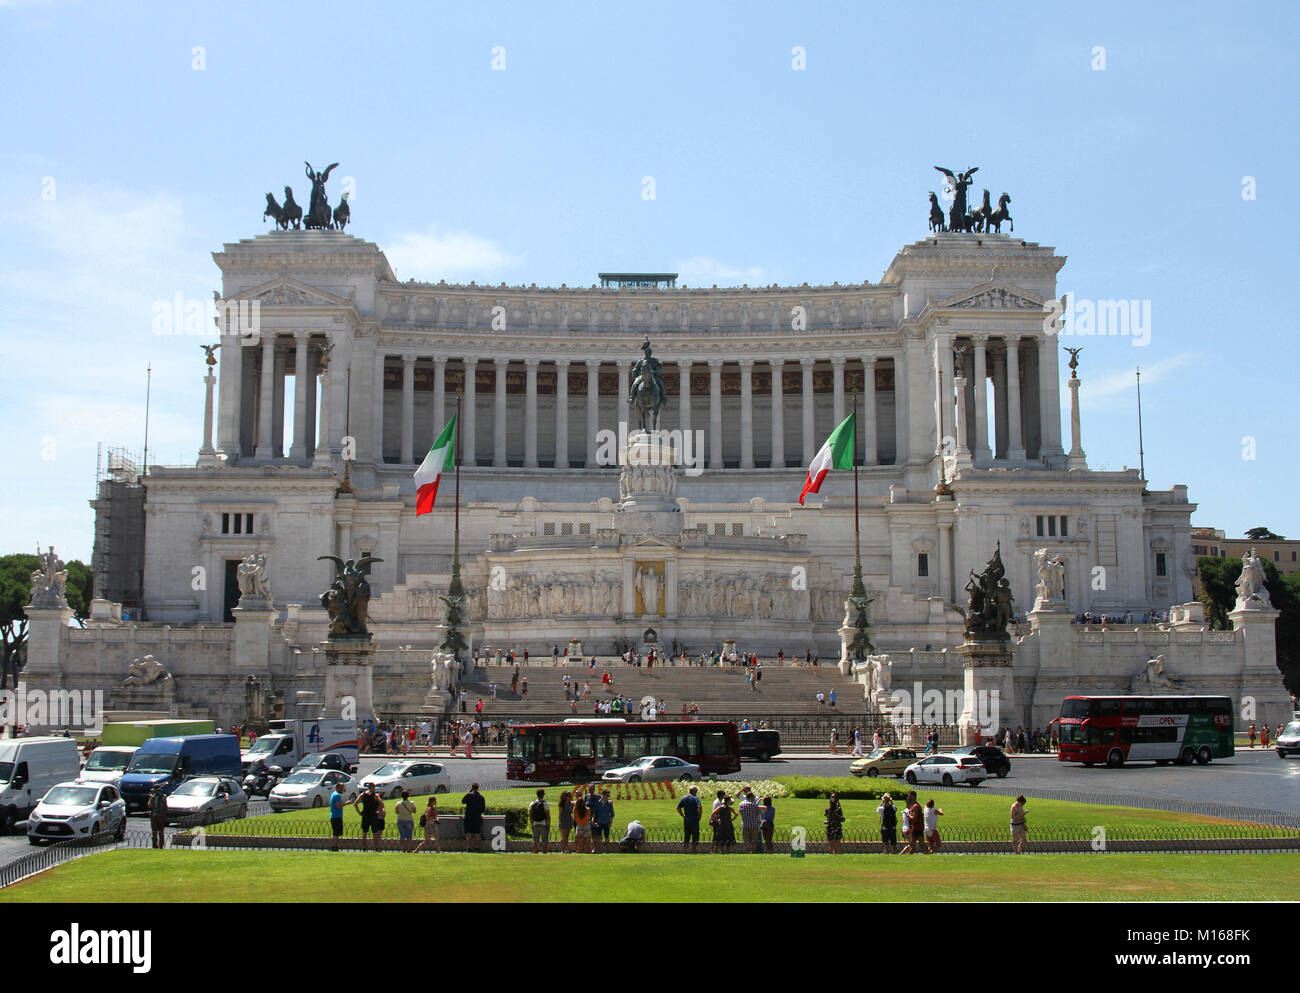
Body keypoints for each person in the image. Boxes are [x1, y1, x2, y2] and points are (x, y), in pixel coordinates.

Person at [354, 783, 382, 851]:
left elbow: (355, 804)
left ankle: (364, 847)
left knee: (364, 832)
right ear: (372, 787)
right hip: (373, 815)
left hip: (365, 815)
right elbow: (381, 804)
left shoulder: (363, 795)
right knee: (374, 832)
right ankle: (376, 847)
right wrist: (378, 810)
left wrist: (359, 812)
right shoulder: (375, 795)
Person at [677, 785, 702, 853]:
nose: (696, 792)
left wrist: (683, 815)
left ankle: (685, 849)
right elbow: (699, 807)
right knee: (695, 834)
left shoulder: (684, 798)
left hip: (687, 819)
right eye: (696, 791)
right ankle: (694, 849)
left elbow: (678, 808)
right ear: (694, 791)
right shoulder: (695, 798)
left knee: (687, 834)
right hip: (694, 819)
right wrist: (700, 815)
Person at [462, 782, 486, 851]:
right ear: (478, 788)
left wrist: (469, 792)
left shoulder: (469, 795)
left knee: (468, 833)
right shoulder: (481, 797)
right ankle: (477, 847)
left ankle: (467, 847)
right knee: (477, 833)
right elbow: (483, 810)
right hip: (477, 817)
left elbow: (463, 801)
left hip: (468, 816)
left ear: (472, 787)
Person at [738, 788, 762, 853]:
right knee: (754, 840)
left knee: (746, 839)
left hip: (745, 824)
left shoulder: (741, 804)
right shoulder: (754, 805)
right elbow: (757, 813)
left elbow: (740, 812)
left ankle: (748, 850)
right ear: (751, 797)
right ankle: (753, 850)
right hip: (754, 824)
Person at [529, 788, 551, 853]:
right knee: (544, 841)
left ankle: (535, 853)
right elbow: (548, 816)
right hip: (543, 824)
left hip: (535, 824)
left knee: (535, 841)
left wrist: (532, 824)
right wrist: (548, 825)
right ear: (543, 795)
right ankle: (544, 853)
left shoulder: (532, 803)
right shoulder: (545, 803)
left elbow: (530, 816)